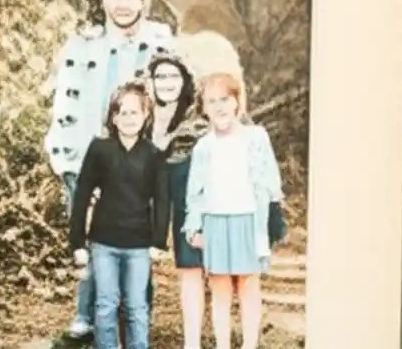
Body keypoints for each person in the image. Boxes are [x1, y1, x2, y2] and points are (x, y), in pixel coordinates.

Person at [43, 0, 173, 341]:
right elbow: (65, 105)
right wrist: (68, 164)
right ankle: (86, 318)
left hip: (139, 163)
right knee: (92, 240)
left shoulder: (162, 46)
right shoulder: (82, 46)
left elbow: (176, 101)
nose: (123, 4)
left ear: (144, 2)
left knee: (135, 241)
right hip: (90, 158)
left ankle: (135, 320)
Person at [183, 73, 284, 349]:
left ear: (238, 101)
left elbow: (271, 180)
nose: (219, 107)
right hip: (216, 221)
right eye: (212, 101)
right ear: (204, 108)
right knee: (220, 289)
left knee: (249, 286)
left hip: (248, 219)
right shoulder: (203, 146)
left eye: (225, 99)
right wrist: (194, 228)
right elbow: (195, 192)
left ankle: (250, 344)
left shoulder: (256, 137)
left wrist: (273, 218)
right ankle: (223, 344)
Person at [69, 81, 170, 349]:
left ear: (146, 115)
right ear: (113, 117)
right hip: (104, 243)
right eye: (122, 113)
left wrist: (159, 241)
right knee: (105, 305)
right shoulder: (100, 149)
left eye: (134, 112)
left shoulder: (154, 155)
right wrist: (77, 242)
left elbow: (162, 201)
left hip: (139, 245)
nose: (128, 119)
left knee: (137, 307)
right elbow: (81, 195)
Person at [145, 53, 209, 349]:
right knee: (133, 261)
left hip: (186, 190)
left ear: (184, 82)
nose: (166, 83)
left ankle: (192, 342)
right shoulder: (140, 115)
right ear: (152, 81)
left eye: (174, 76)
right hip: (144, 192)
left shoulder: (197, 122)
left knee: (190, 267)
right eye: (160, 76)